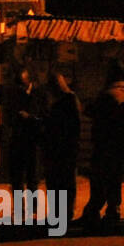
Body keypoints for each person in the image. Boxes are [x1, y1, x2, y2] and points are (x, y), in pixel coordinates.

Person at [80, 61, 124, 231]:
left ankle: (93, 211)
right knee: (114, 177)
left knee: (99, 178)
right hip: (119, 142)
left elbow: (92, 111)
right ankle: (113, 209)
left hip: (104, 142)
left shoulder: (108, 94)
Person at [42, 68, 81, 215]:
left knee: (62, 181)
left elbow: (68, 126)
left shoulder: (67, 100)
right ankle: (62, 211)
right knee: (62, 182)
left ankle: (63, 212)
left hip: (63, 149)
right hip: (63, 148)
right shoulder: (67, 100)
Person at [4, 64, 45, 196]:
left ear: (29, 81)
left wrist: (30, 117)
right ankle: (19, 207)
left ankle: (32, 206)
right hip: (18, 139)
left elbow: (44, 116)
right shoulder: (15, 93)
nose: (20, 87)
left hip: (33, 141)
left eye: (22, 84)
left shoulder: (39, 94)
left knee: (32, 176)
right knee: (17, 176)